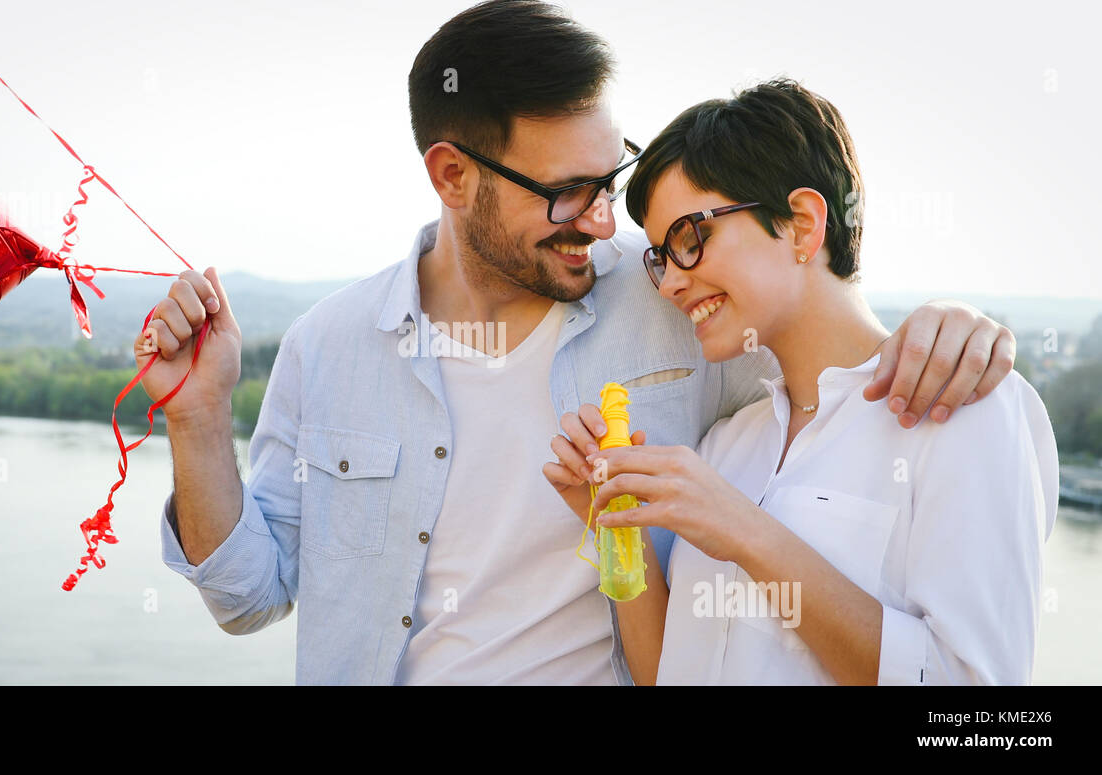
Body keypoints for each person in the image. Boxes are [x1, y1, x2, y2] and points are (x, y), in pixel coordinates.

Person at [139, 0, 1017, 685]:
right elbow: (248, 598)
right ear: (452, 174)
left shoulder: (675, 296)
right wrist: (200, 418)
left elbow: (821, 322)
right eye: (569, 192)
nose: (603, 222)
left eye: (611, 179)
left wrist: (952, 323)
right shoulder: (327, 346)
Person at [545, 78, 1056, 685]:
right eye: (660, 256)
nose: (671, 283)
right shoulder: (727, 445)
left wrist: (746, 531)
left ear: (803, 224)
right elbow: (666, 673)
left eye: (689, 240)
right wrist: (611, 520)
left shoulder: (965, 412)